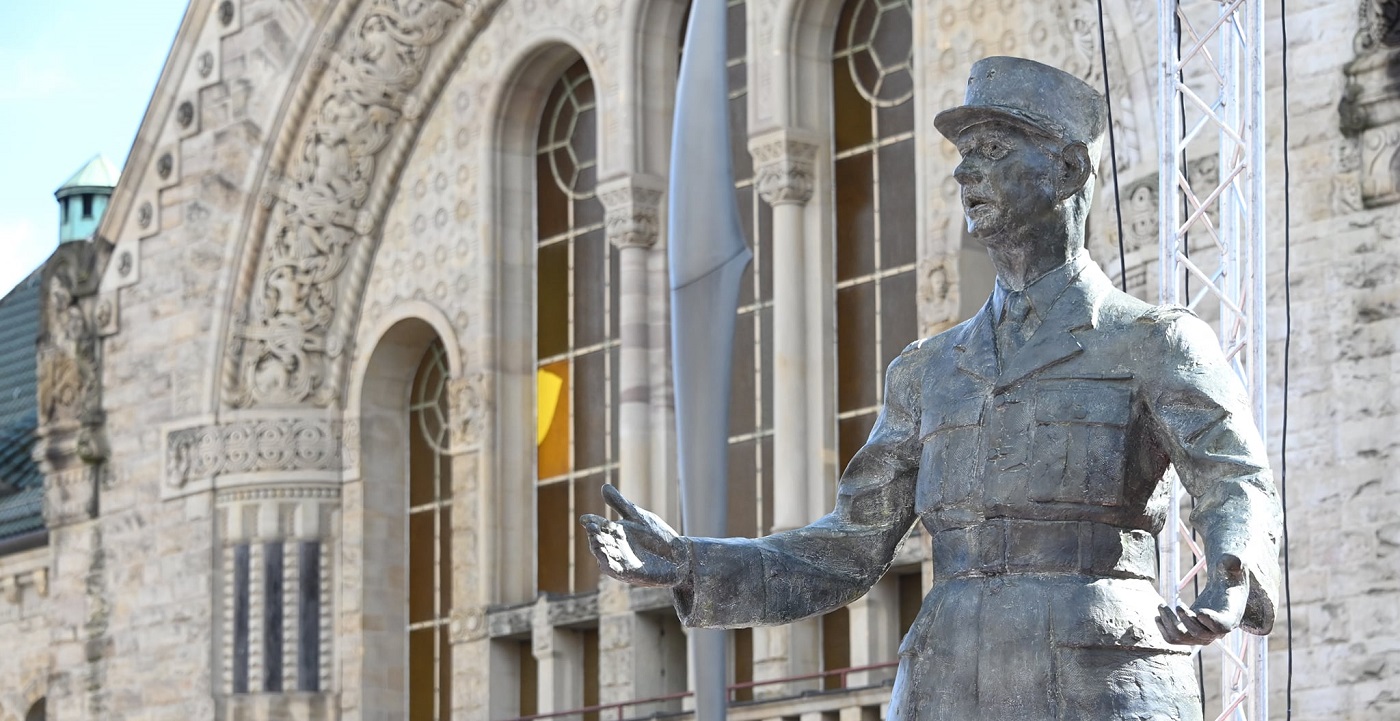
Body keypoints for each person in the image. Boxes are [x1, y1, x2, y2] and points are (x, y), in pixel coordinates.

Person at [580, 56, 1281, 720]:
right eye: (963, 153)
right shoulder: (928, 369)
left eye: (995, 149)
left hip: (1101, 676)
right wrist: (693, 562)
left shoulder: (1154, 340)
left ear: (1068, 168)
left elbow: (1235, 478)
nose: (967, 170)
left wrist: (1229, 566)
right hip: (948, 677)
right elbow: (849, 547)